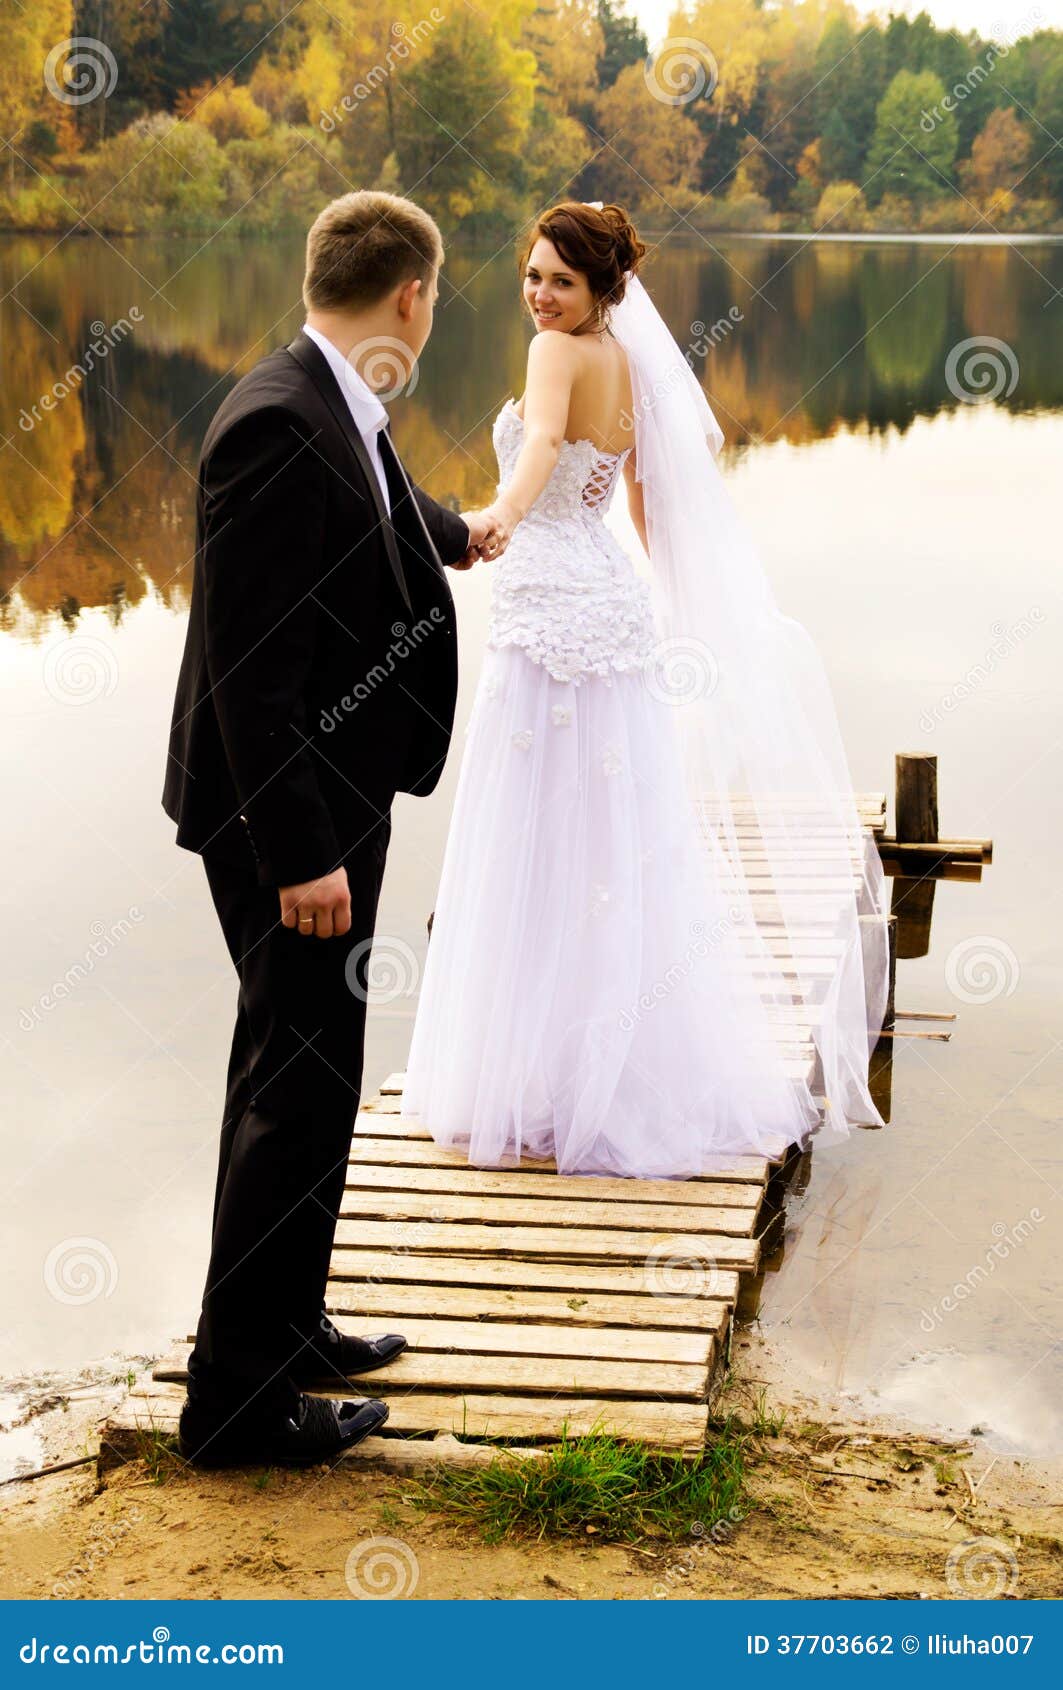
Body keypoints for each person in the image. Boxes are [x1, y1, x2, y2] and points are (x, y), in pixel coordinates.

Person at [400, 200, 888, 1177]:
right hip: (610, 603)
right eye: (533, 275)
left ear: (599, 288)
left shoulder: (556, 357)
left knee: (535, 827)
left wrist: (489, 518)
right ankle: (611, 1065)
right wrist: (670, 595)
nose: (539, 295)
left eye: (560, 282)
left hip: (547, 606)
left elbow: (540, 448)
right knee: (615, 831)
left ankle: (535, 1075)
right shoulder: (630, 360)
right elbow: (636, 490)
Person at [162, 190, 503, 1466]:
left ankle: (284, 1320)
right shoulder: (273, 425)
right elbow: (250, 671)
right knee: (291, 1089)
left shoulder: (331, 399)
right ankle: (239, 1406)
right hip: (283, 825)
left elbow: (382, 490)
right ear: (412, 294)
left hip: (328, 805)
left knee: (311, 1076)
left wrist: (460, 536)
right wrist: (301, 853)